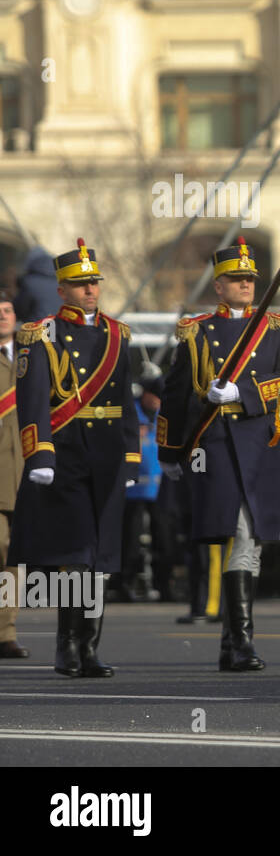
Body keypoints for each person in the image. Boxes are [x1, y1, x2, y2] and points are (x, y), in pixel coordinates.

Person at [158, 237, 280, 671]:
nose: (246, 285)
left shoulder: (275, 330)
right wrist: (170, 452)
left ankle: (234, 642)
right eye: (236, 279)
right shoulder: (196, 332)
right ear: (218, 286)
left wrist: (244, 391)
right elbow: (176, 394)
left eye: (250, 279)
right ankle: (240, 642)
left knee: (251, 540)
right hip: (215, 446)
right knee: (237, 532)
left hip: (259, 444)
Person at [10, 241, 141, 677]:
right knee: (74, 554)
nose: (90, 291)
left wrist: (131, 458)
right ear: (61, 289)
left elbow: (125, 401)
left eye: (93, 284)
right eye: (80, 285)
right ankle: (67, 645)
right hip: (65, 454)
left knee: (100, 557)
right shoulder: (40, 334)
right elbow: (33, 401)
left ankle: (90, 648)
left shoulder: (118, 334)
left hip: (105, 454)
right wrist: (40, 452)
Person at [0, 291, 29, 659]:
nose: (3, 317)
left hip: (22, 474)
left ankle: (5, 632)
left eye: (7, 311)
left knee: (14, 558)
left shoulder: (30, 357)